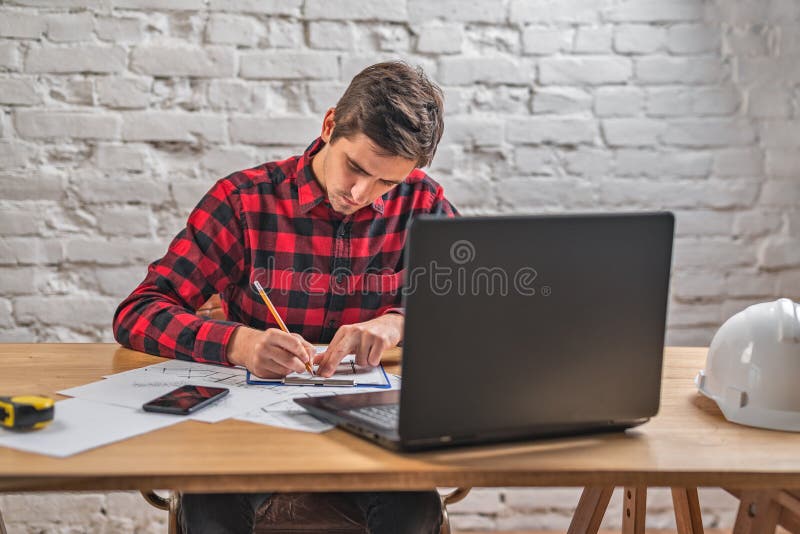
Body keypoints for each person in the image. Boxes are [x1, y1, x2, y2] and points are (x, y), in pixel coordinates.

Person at [112, 61, 458, 534]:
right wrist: (240, 344)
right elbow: (139, 312)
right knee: (210, 516)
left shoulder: (423, 205)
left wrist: (398, 323)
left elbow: (471, 315)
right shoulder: (243, 201)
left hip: (369, 428)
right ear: (329, 125)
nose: (361, 192)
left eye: (386, 182)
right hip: (247, 429)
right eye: (355, 167)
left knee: (415, 517)